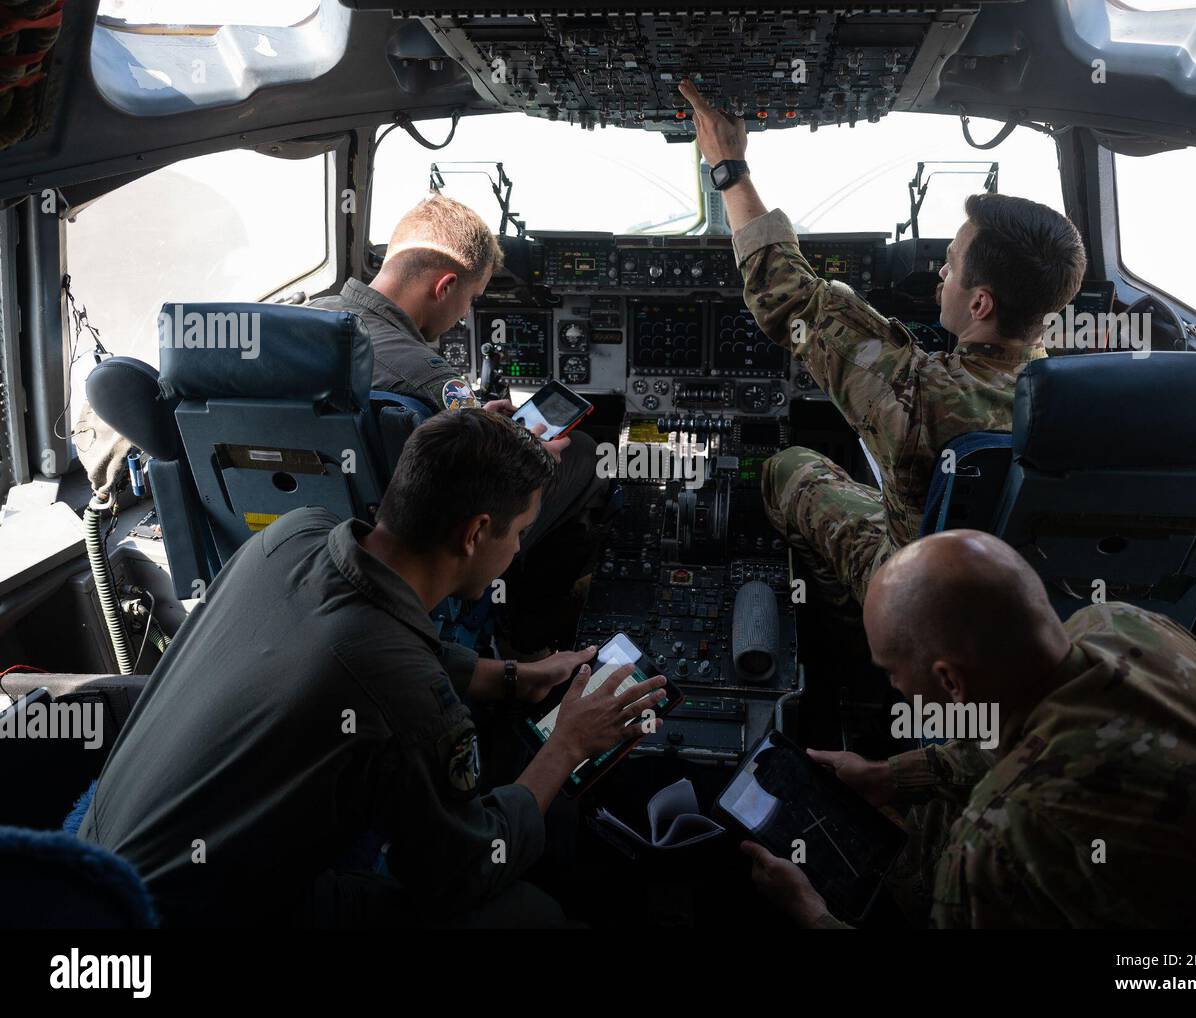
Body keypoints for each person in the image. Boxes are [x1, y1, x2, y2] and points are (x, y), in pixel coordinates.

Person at [79, 409, 666, 928]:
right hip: (174, 917)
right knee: (533, 916)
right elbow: (465, 870)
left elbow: (363, 635)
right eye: (515, 534)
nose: (515, 551)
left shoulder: (296, 532)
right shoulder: (403, 692)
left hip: (105, 851)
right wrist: (565, 747)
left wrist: (507, 675)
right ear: (476, 533)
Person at [741, 530, 1196, 928]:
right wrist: (891, 776)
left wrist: (812, 914)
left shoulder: (1001, 839)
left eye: (891, 670)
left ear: (950, 683)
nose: (892, 685)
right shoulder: (1121, 623)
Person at [679, 79, 1087, 612]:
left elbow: (789, 299)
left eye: (952, 263)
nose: (940, 273)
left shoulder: (917, 392)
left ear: (981, 304)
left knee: (787, 466)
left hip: (917, 592)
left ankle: (850, 618)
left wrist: (728, 167)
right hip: (1019, 601)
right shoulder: (1084, 401)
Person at [311, 193, 606, 574]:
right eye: (471, 297)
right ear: (445, 286)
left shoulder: (304, 319)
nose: (466, 313)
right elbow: (491, 482)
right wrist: (535, 461)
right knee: (584, 452)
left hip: (319, 533)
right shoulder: (432, 380)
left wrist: (475, 419)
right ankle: (535, 609)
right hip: (423, 554)